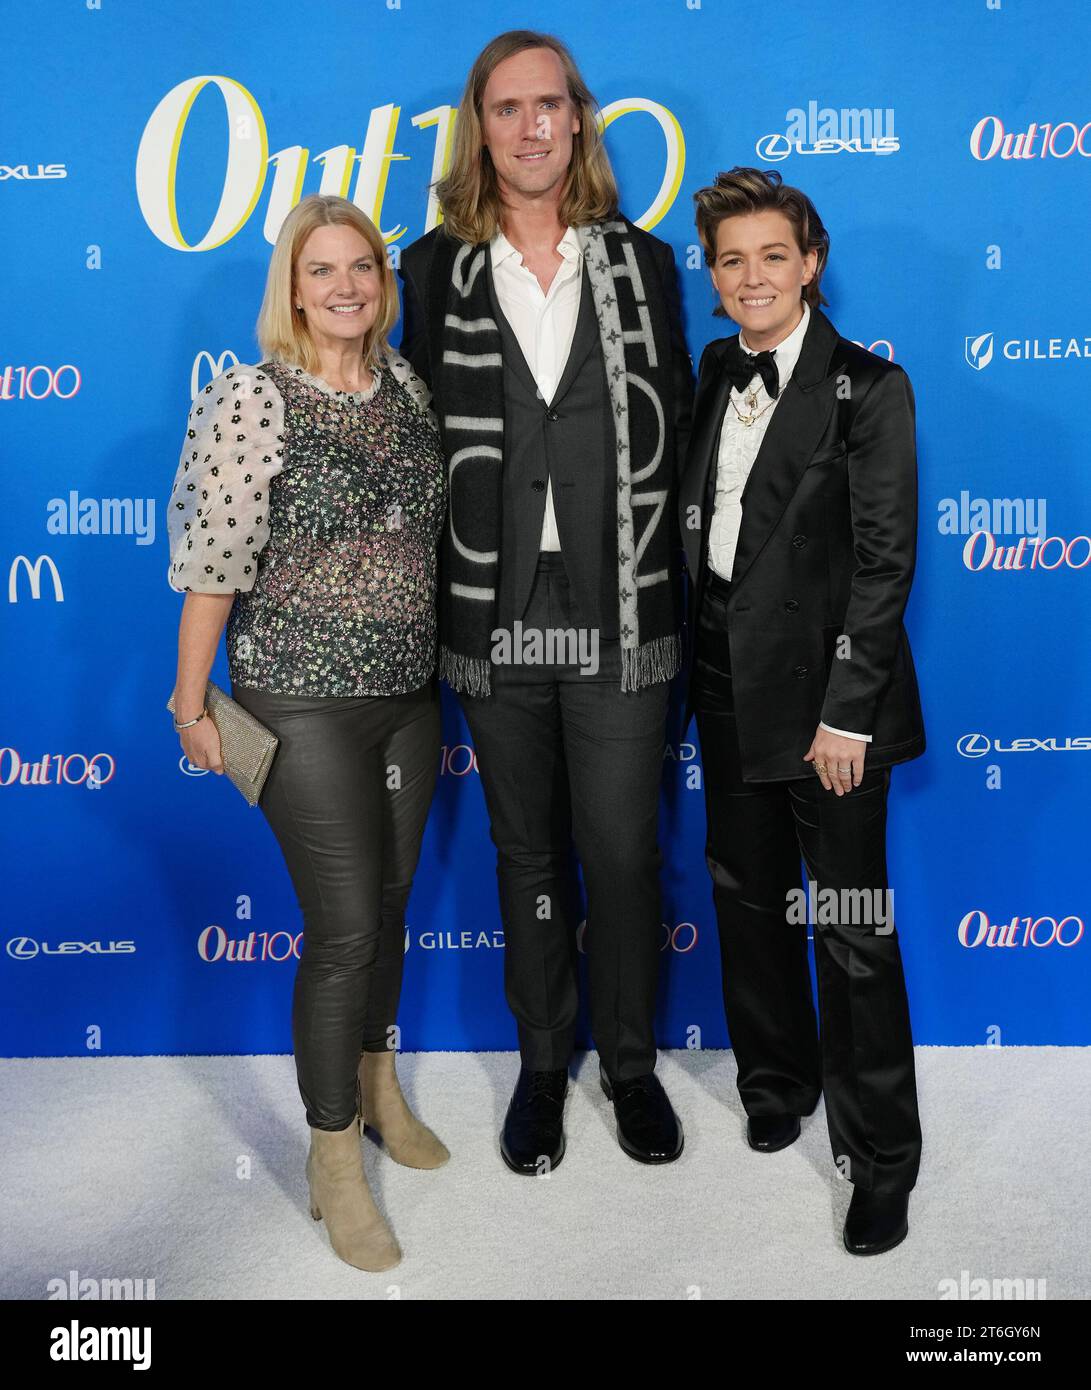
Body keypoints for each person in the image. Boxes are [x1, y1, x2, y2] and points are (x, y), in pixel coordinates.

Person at [398, 30, 694, 1173]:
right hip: (490, 609)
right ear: (478, 128)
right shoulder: (428, 271)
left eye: (548, 105)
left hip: (621, 606)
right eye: (505, 107)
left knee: (619, 853)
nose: (528, 126)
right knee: (526, 853)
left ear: (577, 120)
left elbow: (672, 430)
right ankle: (540, 1061)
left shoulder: (643, 263)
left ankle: (625, 1064)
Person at [166, 194, 448, 1273]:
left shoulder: (407, 386)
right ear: (291, 287)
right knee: (340, 928)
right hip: (295, 696)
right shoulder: (251, 399)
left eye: (361, 268)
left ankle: (377, 1088)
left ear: (383, 282)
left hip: (407, 695)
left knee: (387, 902)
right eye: (321, 270)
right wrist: (190, 705)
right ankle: (334, 1159)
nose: (344, 287)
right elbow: (211, 568)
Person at [678, 168, 925, 1255]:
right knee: (744, 897)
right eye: (730, 259)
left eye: (770, 255)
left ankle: (880, 1162)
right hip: (724, 683)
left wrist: (845, 716)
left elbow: (883, 566)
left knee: (853, 934)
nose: (749, 276)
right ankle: (773, 1083)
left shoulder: (868, 388)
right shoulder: (710, 367)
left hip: (830, 709)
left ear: (809, 264)